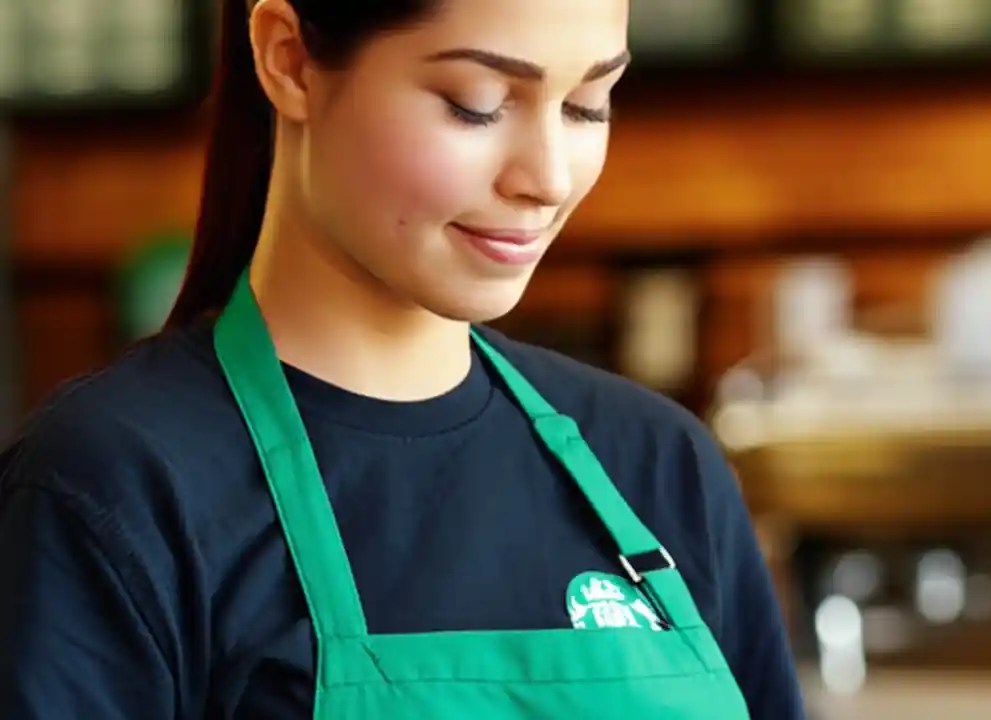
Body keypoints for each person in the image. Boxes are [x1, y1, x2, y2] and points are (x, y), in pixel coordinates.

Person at [0, 0, 805, 717]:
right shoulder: (116, 484)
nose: (548, 178)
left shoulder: (660, 464)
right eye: (476, 105)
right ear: (288, 60)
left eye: (587, 105)